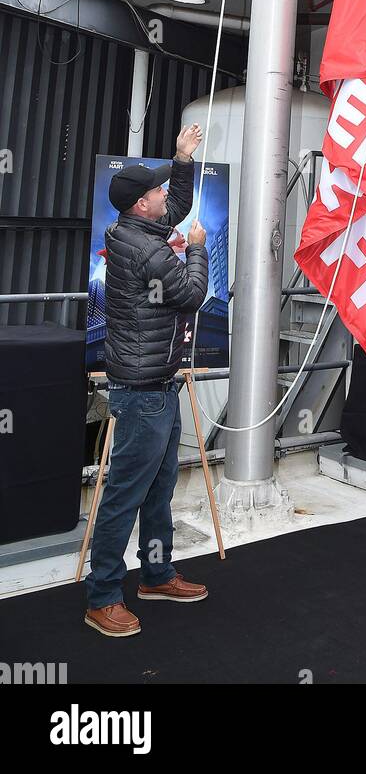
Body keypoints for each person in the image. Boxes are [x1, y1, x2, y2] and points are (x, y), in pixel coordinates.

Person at [84, 124, 211, 636]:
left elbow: (175, 208)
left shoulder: (135, 232)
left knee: (158, 492)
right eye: (156, 190)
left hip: (158, 386)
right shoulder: (147, 250)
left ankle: (156, 574)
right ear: (140, 205)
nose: (165, 196)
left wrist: (181, 160)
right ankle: (103, 596)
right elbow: (192, 294)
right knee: (124, 495)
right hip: (143, 394)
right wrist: (198, 248)